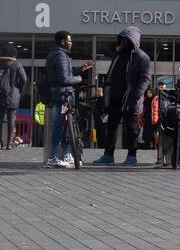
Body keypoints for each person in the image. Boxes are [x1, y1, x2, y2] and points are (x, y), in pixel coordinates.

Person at [96, 27, 150, 166]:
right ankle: (108, 155)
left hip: (131, 97)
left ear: (133, 40)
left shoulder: (142, 57)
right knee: (111, 126)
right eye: (122, 39)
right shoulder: (118, 54)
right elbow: (111, 73)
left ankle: (132, 156)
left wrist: (137, 95)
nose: (123, 41)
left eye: (126, 39)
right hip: (115, 96)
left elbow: (145, 79)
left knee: (131, 128)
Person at [43, 30, 91, 167]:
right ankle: (52, 157)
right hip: (62, 96)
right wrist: (78, 79)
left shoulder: (59, 55)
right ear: (63, 42)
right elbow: (64, 78)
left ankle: (66, 155)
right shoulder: (60, 55)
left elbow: (65, 73)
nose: (71, 43)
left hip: (62, 95)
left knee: (64, 127)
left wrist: (81, 69)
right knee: (59, 127)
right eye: (69, 40)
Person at [0, 43, 27, 150]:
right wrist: (18, 90)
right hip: (13, 95)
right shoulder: (17, 65)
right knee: (11, 119)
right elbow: (24, 79)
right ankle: (9, 144)